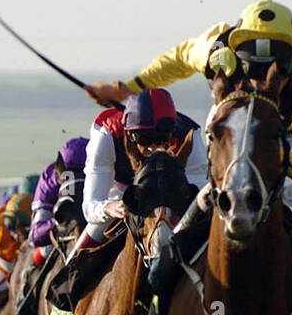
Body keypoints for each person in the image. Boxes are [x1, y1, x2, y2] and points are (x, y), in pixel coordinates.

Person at [86, 0, 292, 315]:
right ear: (237, 53)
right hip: (227, 138)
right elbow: (179, 59)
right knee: (207, 195)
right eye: (254, 66)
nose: (262, 76)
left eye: (275, 66)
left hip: (275, 148)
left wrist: (264, 152)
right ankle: (162, 281)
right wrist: (128, 88)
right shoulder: (218, 44)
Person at [70, 88, 206, 270]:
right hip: (122, 196)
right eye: (144, 138)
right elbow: (90, 206)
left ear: (172, 130)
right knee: (74, 262)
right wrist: (109, 208)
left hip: (172, 201)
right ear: (129, 135)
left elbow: (196, 201)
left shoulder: (190, 137)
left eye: (163, 138)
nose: (153, 148)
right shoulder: (106, 135)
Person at [28, 138, 89, 263]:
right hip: (61, 235)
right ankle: (28, 280)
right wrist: (60, 219)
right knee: (42, 254)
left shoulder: (105, 165)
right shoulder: (49, 180)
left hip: (94, 221)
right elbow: (35, 236)